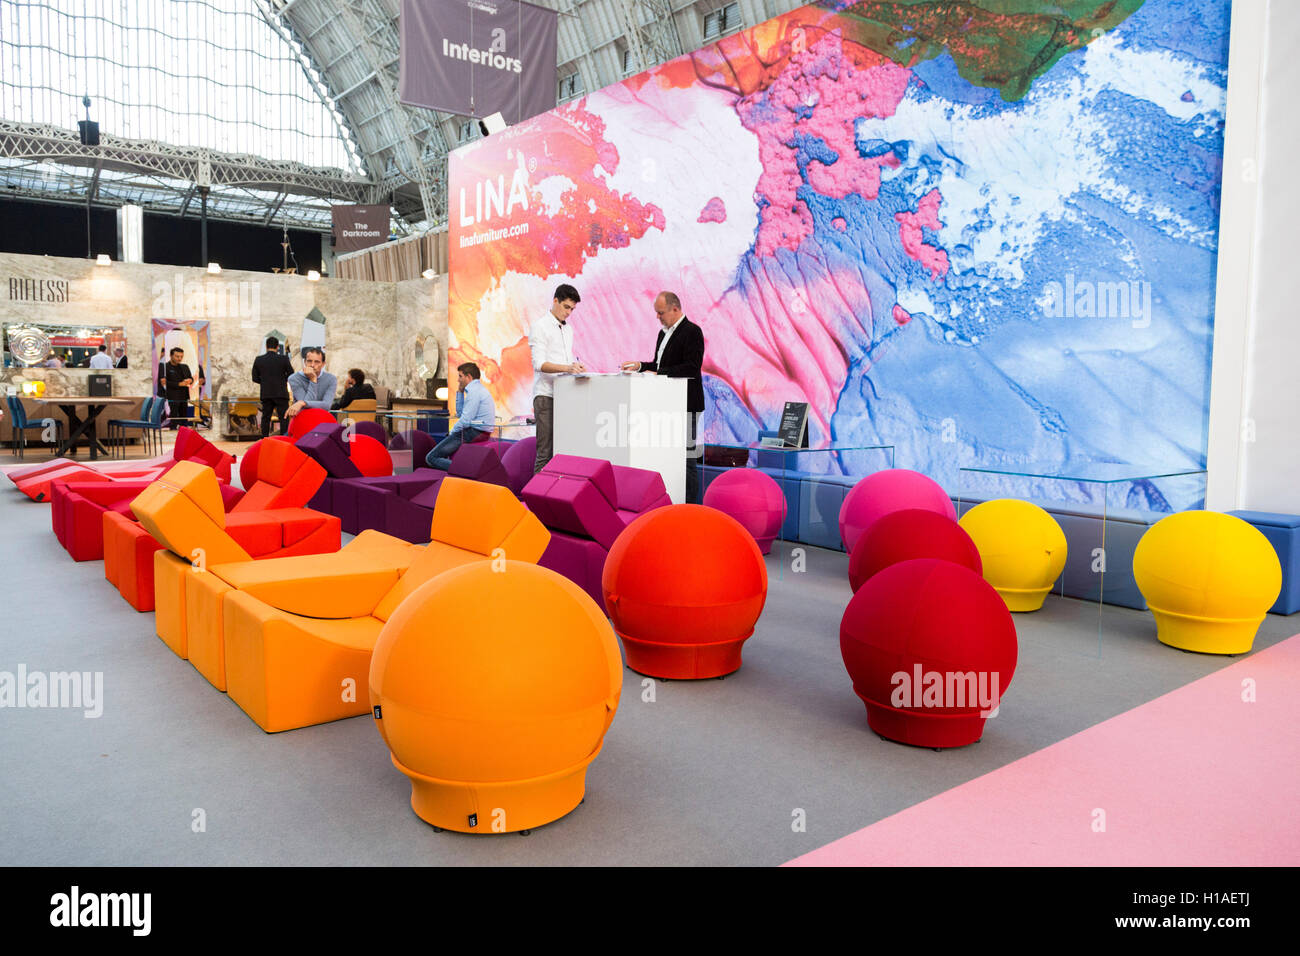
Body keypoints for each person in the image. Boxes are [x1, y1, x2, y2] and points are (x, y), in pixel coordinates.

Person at [620, 291, 706, 502]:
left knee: (687, 460)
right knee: (667, 459)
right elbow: (660, 365)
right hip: (666, 406)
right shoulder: (663, 333)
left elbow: (692, 368)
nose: (658, 317)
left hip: (687, 405)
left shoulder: (692, 331)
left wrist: (660, 373)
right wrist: (640, 366)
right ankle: (673, 502)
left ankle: (691, 507)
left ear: (675, 309)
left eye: (661, 313)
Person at [529, 283, 584, 474]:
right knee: (545, 452)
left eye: (572, 309)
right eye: (566, 307)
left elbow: (566, 359)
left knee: (561, 451)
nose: (569, 312)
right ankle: (534, 502)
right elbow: (539, 364)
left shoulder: (568, 330)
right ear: (555, 301)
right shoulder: (539, 326)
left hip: (564, 395)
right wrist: (568, 367)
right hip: (545, 396)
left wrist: (575, 365)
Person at [424, 363, 496, 470]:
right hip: (477, 431)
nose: (458, 380)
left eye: (460, 376)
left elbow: (465, 420)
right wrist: (460, 393)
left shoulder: (474, 392)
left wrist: (452, 432)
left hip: (474, 432)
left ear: (469, 377)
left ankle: (466, 470)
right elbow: (460, 414)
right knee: (442, 451)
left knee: (431, 458)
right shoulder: (477, 389)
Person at [251, 336, 294, 437]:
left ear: (266, 346)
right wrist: (283, 380)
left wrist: (265, 382)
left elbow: (254, 378)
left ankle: (264, 439)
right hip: (281, 393)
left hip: (266, 393)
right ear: (278, 347)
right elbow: (291, 374)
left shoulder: (259, 359)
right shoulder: (283, 359)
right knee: (284, 418)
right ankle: (284, 438)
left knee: (266, 418)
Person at [286, 347, 338, 418]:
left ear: (323, 364)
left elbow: (326, 405)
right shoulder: (294, 378)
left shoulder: (331, 379)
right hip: (302, 419)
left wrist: (302, 403)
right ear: (305, 362)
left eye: (317, 362)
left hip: (322, 419)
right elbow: (306, 409)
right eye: (309, 361)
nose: (312, 365)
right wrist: (313, 380)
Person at [163, 347, 195, 428]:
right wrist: (179, 384)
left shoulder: (185, 367)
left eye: (181, 356)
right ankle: (173, 434)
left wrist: (190, 380)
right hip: (172, 397)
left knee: (184, 419)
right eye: (177, 356)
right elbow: (164, 382)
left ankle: (184, 436)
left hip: (184, 396)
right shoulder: (165, 367)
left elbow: (191, 378)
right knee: (174, 419)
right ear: (171, 355)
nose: (179, 358)